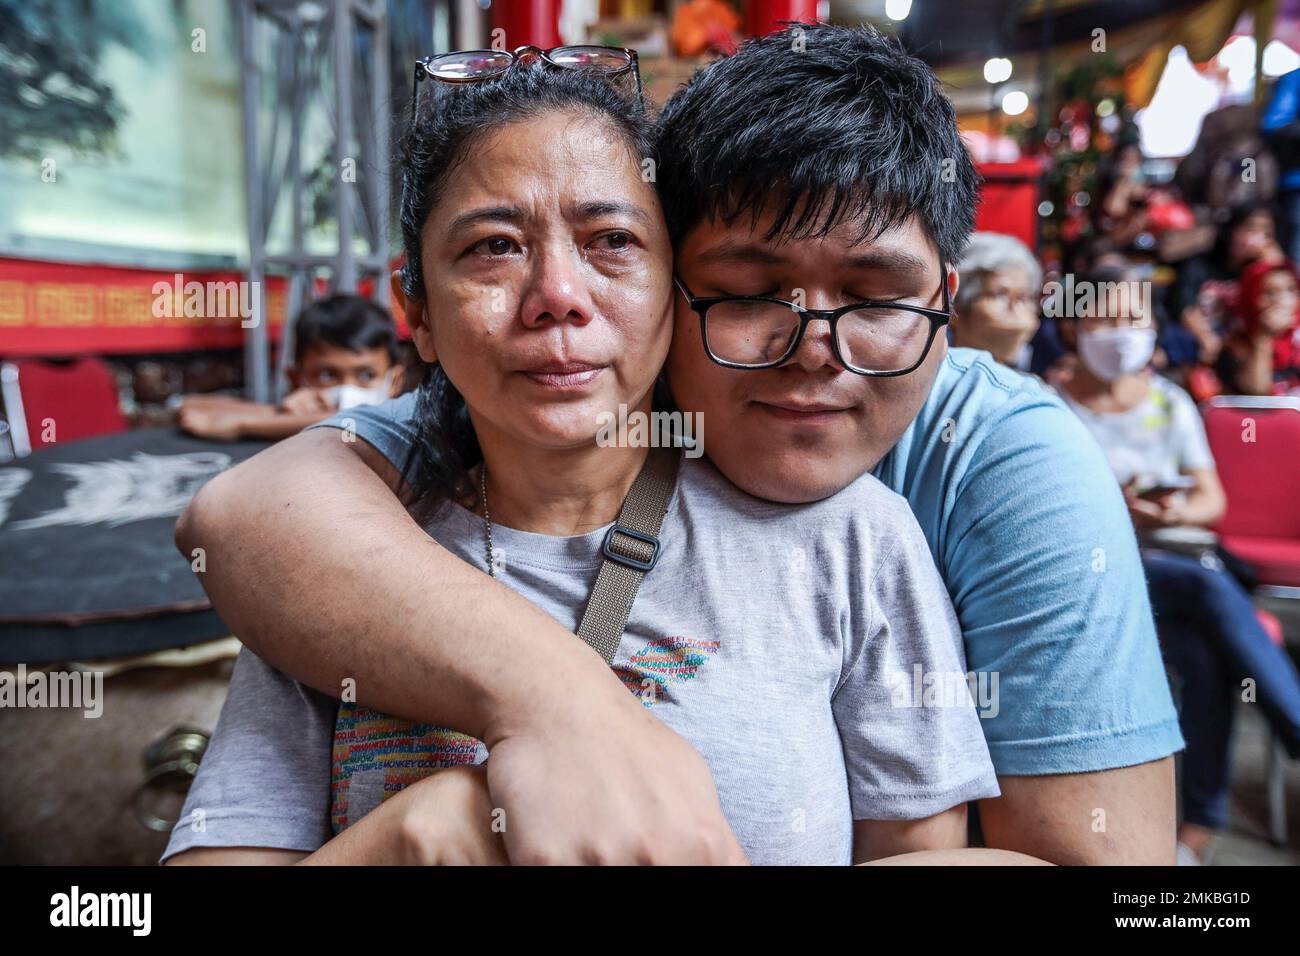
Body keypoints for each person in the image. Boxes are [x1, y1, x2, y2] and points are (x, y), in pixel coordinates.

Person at [175, 25, 1182, 865]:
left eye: (610, 240)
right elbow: (242, 513)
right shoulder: (361, 556)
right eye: (748, 291)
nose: (811, 351)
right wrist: (428, 826)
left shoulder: (952, 491)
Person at [1055, 264, 1300, 864]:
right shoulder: (1047, 407)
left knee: (1206, 655)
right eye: (1105, 316)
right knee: (1208, 587)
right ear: (1072, 326)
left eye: (1133, 317)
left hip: (1169, 569)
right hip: (1094, 576)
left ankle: (1193, 833)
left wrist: (1162, 512)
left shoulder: (1170, 401)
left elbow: (1212, 501)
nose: (1121, 330)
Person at [177, 294, 403, 441]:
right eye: (327, 375)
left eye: (366, 375)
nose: (346, 389)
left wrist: (243, 425)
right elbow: (190, 407)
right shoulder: (298, 413)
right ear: (296, 378)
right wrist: (280, 414)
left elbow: (353, 422)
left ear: (395, 381)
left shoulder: (402, 425)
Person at [949, 231, 1042, 369]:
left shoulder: (1033, 389)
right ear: (956, 309)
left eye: (1024, 297)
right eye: (999, 295)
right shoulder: (930, 383)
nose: (1016, 308)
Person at [1221, 257, 1300, 396]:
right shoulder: (1236, 344)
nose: (1281, 300)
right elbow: (1257, 392)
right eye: (1269, 292)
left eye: (1291, 290)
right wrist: (1264, 337)